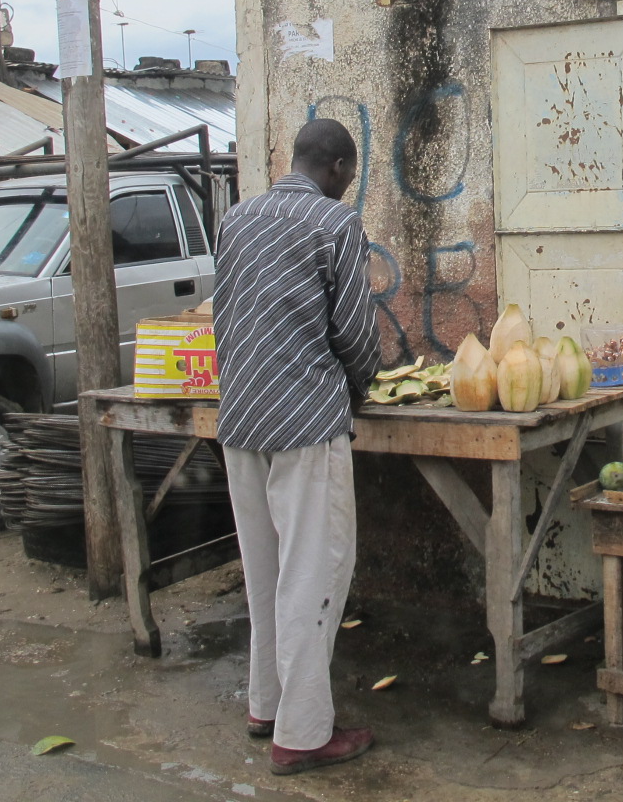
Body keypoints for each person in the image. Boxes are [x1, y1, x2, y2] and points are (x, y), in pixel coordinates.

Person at [213, 119, 381, 776]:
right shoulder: (335, 226)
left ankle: (267, 704)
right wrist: (363, 388)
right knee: (314, 573)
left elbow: (227, 315)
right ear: (338, 167)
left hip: (241, 417)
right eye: (350, 174)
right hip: (307, 422)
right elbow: (356, 334)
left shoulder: (236, 218)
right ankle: (304, 734)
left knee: (266, 571)